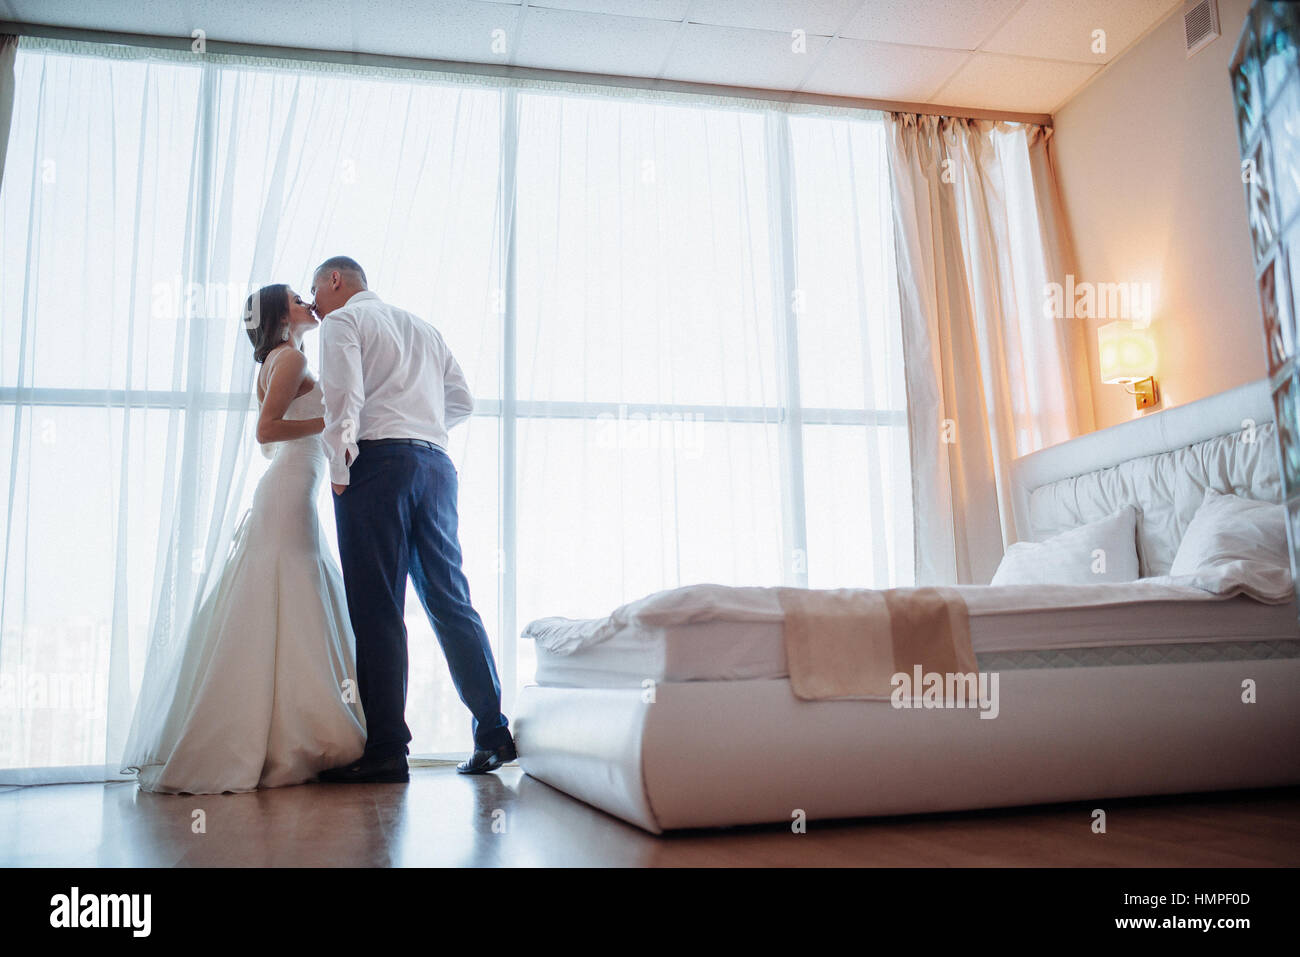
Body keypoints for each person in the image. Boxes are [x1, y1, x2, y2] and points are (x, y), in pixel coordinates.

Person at [120, 284, 367, 794]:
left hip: (291, 486)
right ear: (280, 313)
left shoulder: (281, 359)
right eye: (298, 298)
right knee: (294, 592)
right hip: (288, 489)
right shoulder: (291, 361)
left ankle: (289, 732)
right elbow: (266, 430)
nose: (309, 302)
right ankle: (299, 735)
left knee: (290, 596)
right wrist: (339, 420)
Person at [313, 255, 515, 782]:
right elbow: (463, 402)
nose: (313, 304)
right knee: (451, 599)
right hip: (436, 466)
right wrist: (419, 427)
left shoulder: (342, 322)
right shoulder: (426, 329)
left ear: (336, 280)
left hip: (377, 467)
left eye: (316, 290)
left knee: (379, 609)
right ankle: (493, 732)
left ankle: (386, 752)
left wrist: (340, 463)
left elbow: (344, 398)